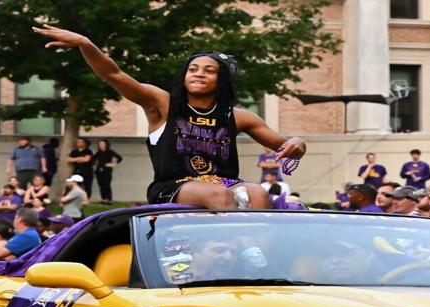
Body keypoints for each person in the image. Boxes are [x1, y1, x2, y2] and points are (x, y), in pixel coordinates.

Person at [36, 23, 306, 209]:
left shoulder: (238, 116)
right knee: (218, 193)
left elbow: (287, 147)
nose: (198, 73)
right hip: (173, 185)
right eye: (193, 69)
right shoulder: (162, 103)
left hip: (224, 183)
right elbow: (114, 74)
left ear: (221, 80)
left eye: (209, 70)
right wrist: (86, 44)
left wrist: (298, 143)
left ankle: (257, 255)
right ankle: (241, 251)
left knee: (258, 193)